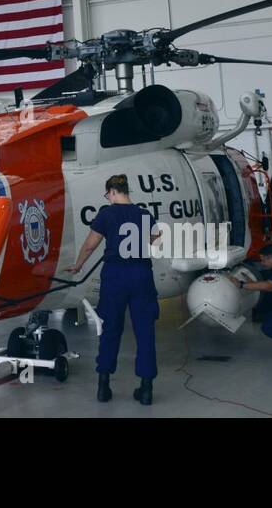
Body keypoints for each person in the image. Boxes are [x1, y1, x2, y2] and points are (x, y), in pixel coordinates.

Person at [67, 174, 162, 405]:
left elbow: (90, 245)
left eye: (107, 194)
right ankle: (146, 390)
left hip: (115, 276)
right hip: (141, 275)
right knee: (145, 331)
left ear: (111, 191)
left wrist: (78, 265)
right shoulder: (143, 214)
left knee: (111, 329)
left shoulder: (106, 214)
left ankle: (103, 386)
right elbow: (157, 241)